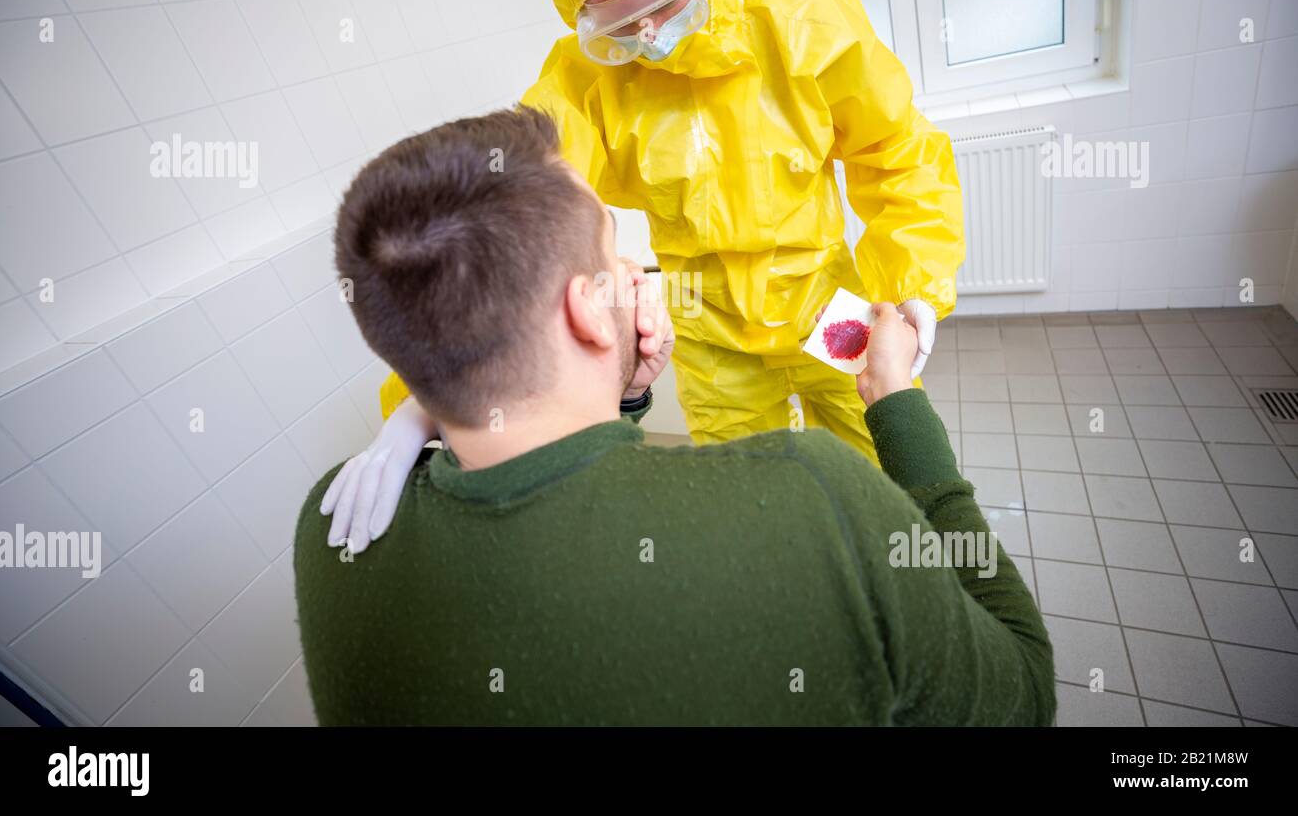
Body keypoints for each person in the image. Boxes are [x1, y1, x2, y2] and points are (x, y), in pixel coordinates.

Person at [294, 107, 1053, 726]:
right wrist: (902, 410)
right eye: (614, 251)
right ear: (588, 310)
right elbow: (1023, 685)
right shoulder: (817, 502)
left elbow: (560, 512)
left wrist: (441, 414)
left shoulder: (336, 526)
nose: (635, 272)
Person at [324, 0, 963, 551]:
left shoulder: (802, 19)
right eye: (619, 23)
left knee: (883, 477)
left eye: (663, 2)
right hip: (714, 329)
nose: (650, 37)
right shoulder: (587, 82)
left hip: (830, 305)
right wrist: (423, 407)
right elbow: (494, 224)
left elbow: (900, 153)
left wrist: (913, 286)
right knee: (755, 502)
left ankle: (899, 599)